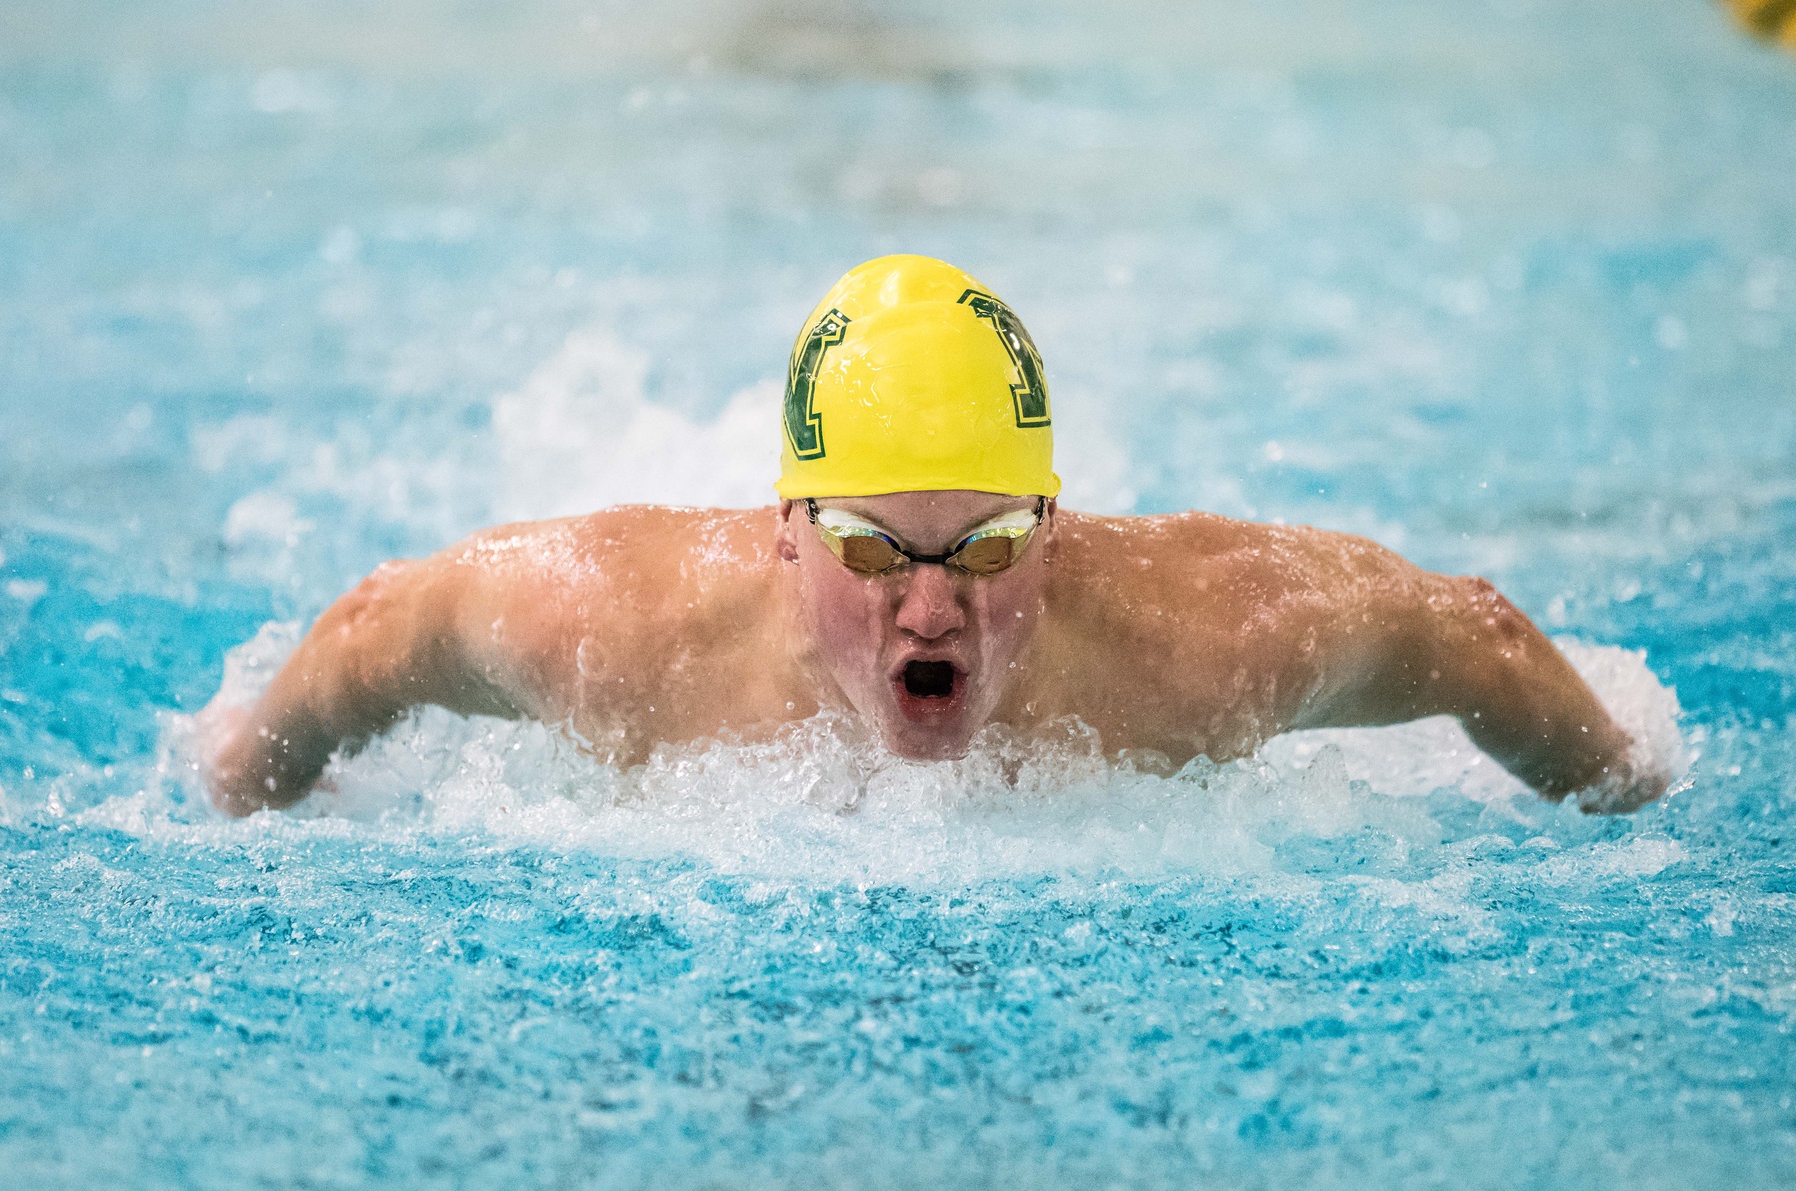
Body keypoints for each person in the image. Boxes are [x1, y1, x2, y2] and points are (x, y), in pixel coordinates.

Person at [201, 255, 1669, 816]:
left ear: (1054, 526)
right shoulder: (614, 631)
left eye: (982, 547)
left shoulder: (1205, 645)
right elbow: (372, 631)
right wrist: (240, 794)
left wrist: (1630, 801)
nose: (928, 609)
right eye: (867, 549)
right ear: (785, 533)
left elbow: (1472, 633)